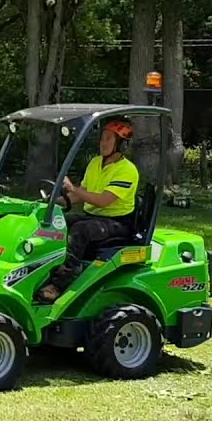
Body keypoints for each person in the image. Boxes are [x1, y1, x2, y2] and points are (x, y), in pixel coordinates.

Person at [36, 117, 139, 302]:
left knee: (80, 231)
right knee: (57, 223)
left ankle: (61, 282)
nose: (103, 143)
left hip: (117, 222)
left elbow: (103, 201)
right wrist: (53, 204)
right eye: (102, 138)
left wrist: (73, 189)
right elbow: (81, 194)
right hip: (93, 217)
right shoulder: (95, 163)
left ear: (121, 144)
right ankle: (42, 271)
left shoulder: (127, 170)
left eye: (109, 139)